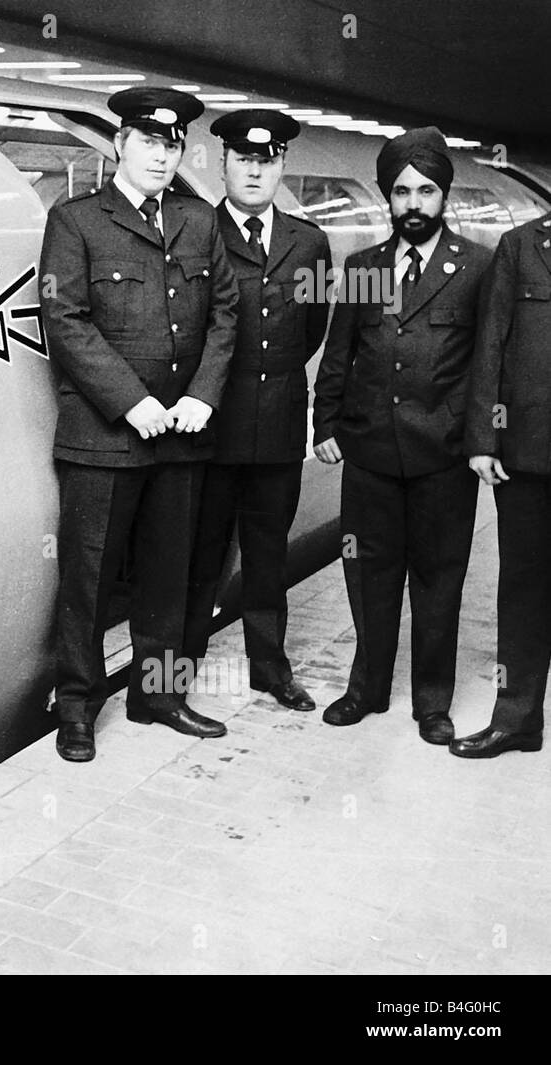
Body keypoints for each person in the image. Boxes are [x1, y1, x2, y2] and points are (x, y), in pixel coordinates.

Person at [39, 86, 238, 762]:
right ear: (120, 143)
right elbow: (64, 319)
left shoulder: (198, 221)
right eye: (149, 141)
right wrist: (132, 400)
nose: (161, 154)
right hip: (103, 437)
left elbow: (224, 317)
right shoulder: (76, 221)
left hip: (183, 435)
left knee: (169, 575)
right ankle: (77, 706)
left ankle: (159, 695)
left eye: (173, 143)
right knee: (89, 580)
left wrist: (203, 396)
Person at [312, 127, 491, 744]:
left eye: (425, 191)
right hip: (369, 450)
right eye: (401, 192)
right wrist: (325, 421)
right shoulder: (363, 268)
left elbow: (486, 361)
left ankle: (432, 703)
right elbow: (341, 350)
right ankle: (366, 688)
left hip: (442, 454)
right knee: (367, 573)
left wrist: (480, 440)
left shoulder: (477, 268)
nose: (413, 203)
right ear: (388, 198)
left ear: (444, 196)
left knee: (440, 577)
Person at [183, 110, 329, 712]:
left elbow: (311, 330)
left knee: (268, 554)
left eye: (266, 161)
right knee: (200, 553)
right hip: (210, 428)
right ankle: (178, 672)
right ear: (223, 164)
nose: (254, 171)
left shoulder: (309, 241)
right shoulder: (195, 230)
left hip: (278, 428)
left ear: (281, 167)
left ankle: (270, 669)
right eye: (243, 160)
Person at [454, 211, 551, 757]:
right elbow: (490, 343)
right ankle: (516, 719)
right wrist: (484, 440)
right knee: (522, 589)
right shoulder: (519, 245)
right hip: (528, 453)